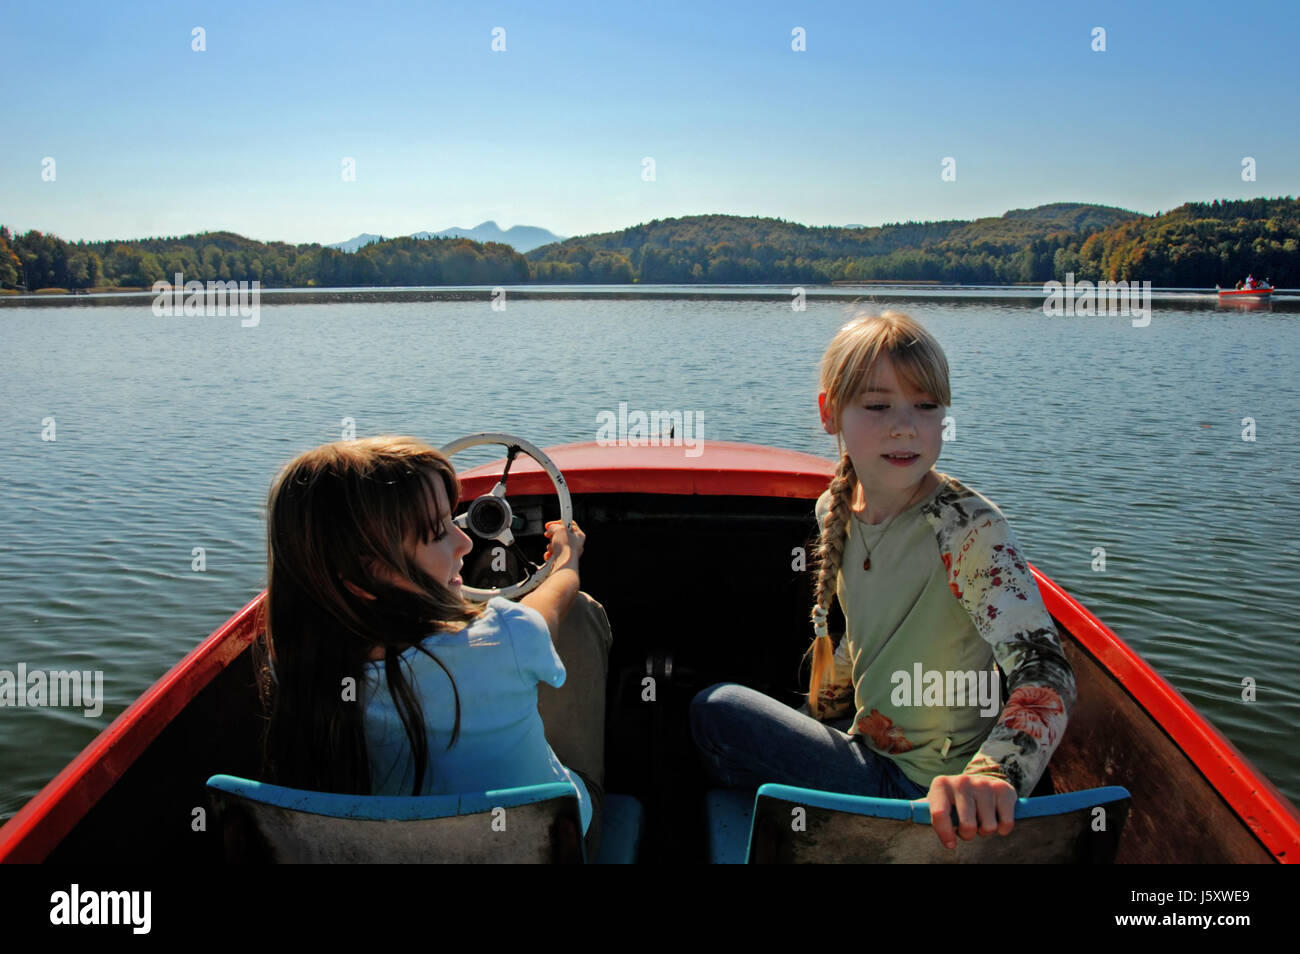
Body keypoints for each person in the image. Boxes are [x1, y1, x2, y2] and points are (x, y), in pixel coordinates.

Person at [691, 312, 1076, 850]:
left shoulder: (967, 529)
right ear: (830, 413)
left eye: (926, 406)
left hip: (930, 795)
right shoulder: (837, 506)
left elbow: (1046, 670)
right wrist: (816, 717)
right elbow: (866, 637)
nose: (906, 426)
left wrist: (991, 777)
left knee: (716, 712)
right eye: (877, 406)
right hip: (871, 752)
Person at [256, 436, 613, 859]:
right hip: (549, 845)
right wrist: (567, 560)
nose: (464, 541)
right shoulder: (510, 633)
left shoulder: (291, 662)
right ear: (367, 575)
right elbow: (555, 600)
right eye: (438, 532)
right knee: (577, 615)